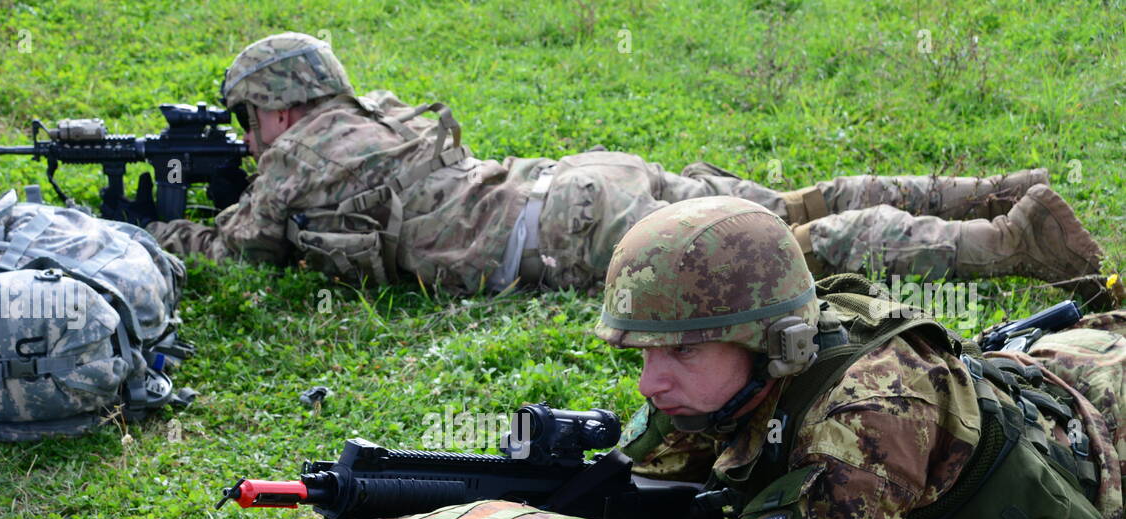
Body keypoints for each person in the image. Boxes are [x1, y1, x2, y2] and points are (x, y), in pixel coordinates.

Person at [147, 32, 1104, 296]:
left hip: (565, 230)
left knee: (786, 244)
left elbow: (234, 254)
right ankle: (987, 189)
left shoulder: (295, 162)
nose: (248, 139)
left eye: (249, 122)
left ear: (274, 106)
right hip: (585, 177)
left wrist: (158, 225)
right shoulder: (377, 114)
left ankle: (1007, 243)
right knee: (784, 197)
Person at [595, 195, 1125, 519]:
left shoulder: (860, 425)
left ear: (773, 344)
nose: (649, 384)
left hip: (1105, 434)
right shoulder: (722, 385)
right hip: (1046, 370)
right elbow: (639, 488)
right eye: (645, 354)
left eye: (683, 353)